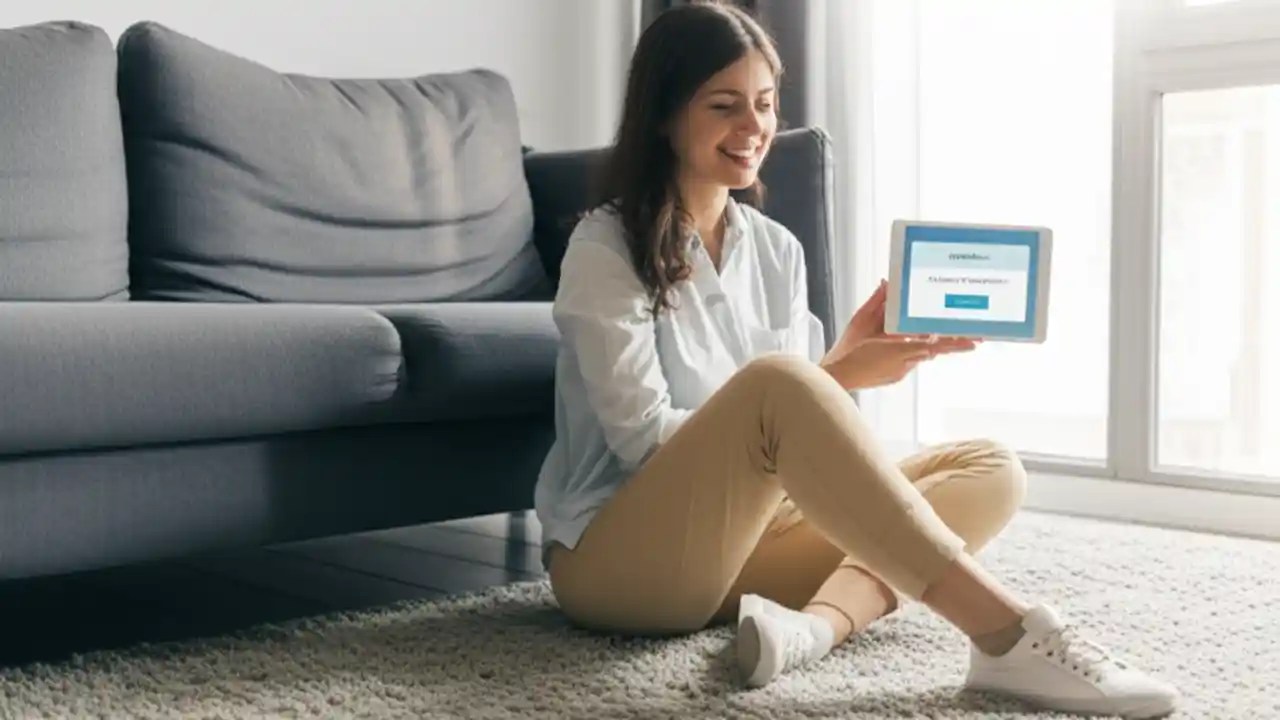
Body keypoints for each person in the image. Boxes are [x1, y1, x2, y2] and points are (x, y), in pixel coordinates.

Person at [532, 3, 1179, 717]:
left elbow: (784, 438)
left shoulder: (776, 250)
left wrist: (840, 367)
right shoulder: (604, 248)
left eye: (766, 104)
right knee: (782, 381)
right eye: (724, 106)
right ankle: (1006, 635)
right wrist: (817, 381)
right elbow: (643, 437)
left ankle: (812, 628)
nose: (753, 128)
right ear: (664, 115)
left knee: (991, 470)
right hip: (620, 563)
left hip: (736, 549)